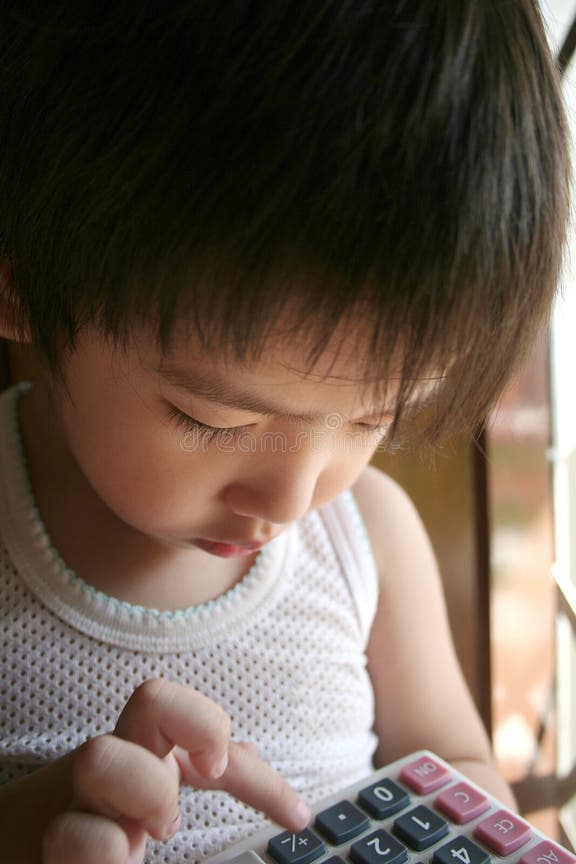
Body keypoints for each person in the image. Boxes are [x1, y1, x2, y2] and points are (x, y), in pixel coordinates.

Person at [0, 1, 569, 862]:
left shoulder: (367, 538)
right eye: (212, 418)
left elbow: (457, 763)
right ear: (20, 288)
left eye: (379, 416)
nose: (292, 499)